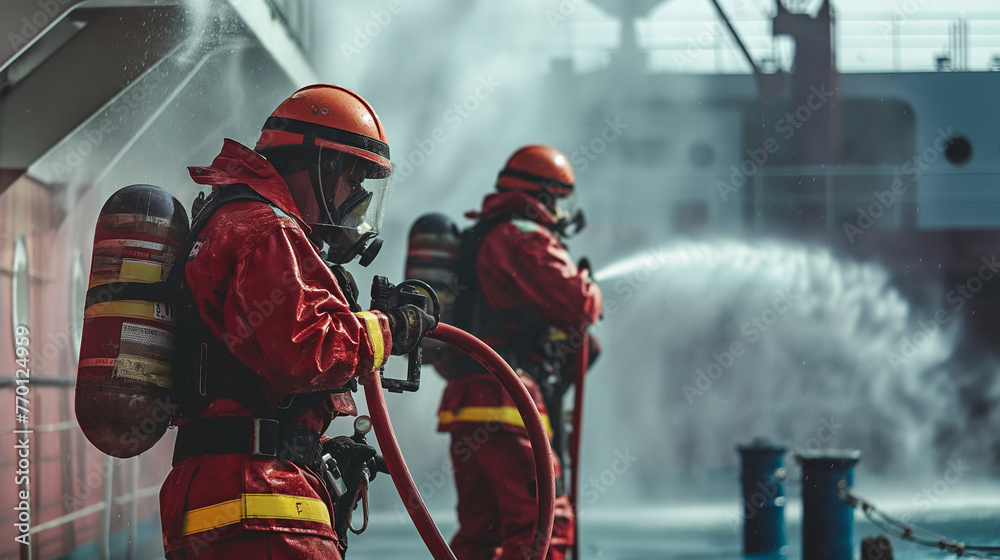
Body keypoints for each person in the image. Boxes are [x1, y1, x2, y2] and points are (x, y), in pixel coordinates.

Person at [158, 84, 435, 560]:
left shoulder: (227, 217)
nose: (357, 199)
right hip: (261, 503)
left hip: (226, 495)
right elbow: (310, 351)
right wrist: (391, 327)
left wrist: (314, 449)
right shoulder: (266, 229)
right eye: (352, 181)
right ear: (321, 165)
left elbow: (251, 386)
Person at [435, 145, 603, 560]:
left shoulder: (484, 235)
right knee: (543, 526)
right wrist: (590, 285)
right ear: (544, 196)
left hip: (467, 400)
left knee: (481, 534)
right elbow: (578, 303)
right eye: (560, 201)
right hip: (511, 398)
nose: (563, 213)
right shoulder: (523, 236)